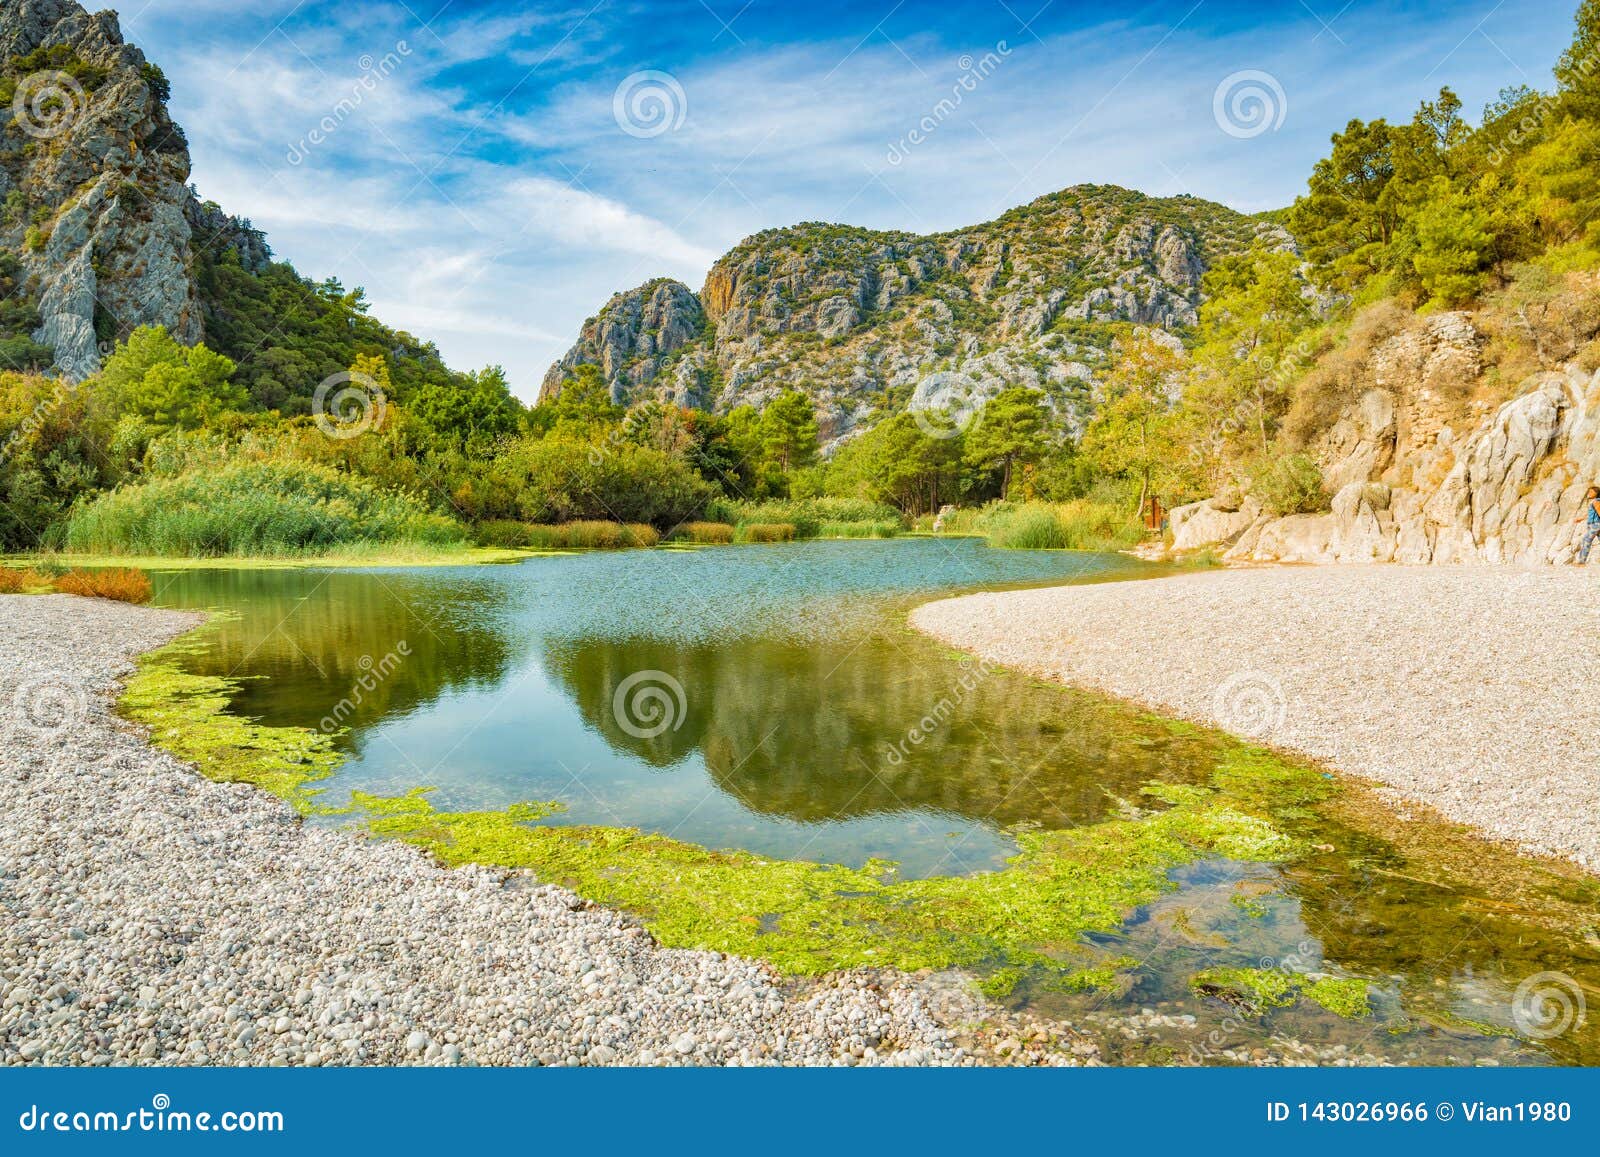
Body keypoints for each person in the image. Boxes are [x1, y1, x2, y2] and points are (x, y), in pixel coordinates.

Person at [1577, 485, 1600, 563]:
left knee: (1586, 541)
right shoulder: (1595, 501)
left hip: (1595, 525)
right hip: (1594, 525)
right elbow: (1591, 514)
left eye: (1591, 492)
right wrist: (1581, 519)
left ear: (1596, 493)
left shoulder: (1596, 502)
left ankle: (1581, 561)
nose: (1589, 493)